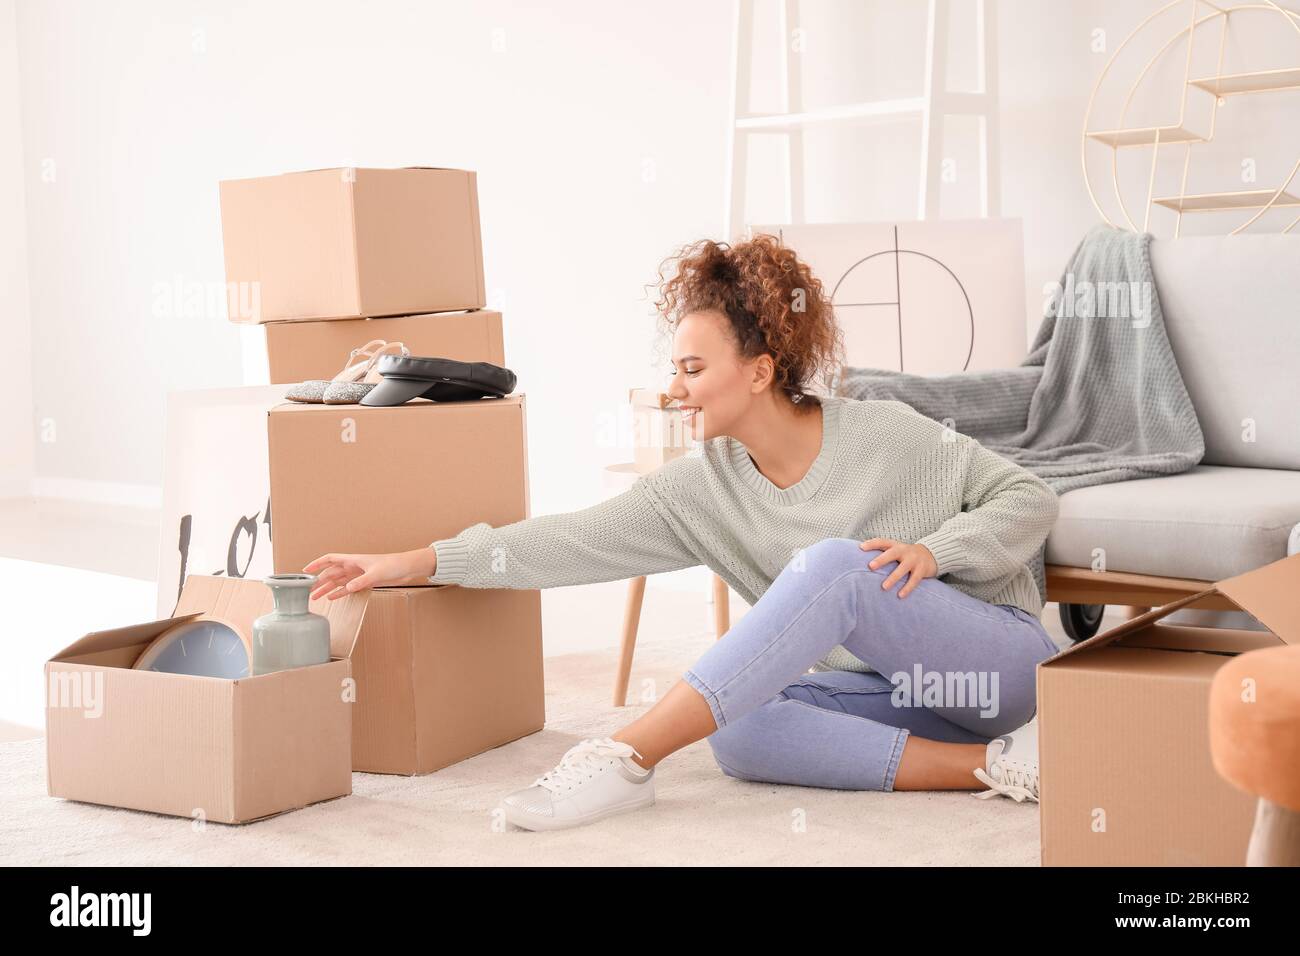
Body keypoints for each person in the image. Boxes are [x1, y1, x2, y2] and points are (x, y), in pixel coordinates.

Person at [304, 234, 1060, 832]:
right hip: (893, 696)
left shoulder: (886, 433)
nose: (673, 389)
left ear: (760, 373)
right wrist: (411, 563)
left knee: (834, 566)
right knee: (740, 724)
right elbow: (569, 539)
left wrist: (937, 552)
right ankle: (1001, 766)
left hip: (1000, 669)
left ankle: (625, 757)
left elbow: (1029, 497)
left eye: (692, 369)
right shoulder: (702, 488)